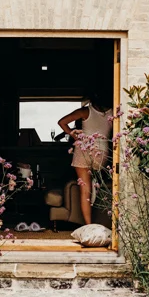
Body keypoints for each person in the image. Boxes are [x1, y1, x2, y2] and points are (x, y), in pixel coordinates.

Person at [56, 95, 113, 226]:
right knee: (100, 183)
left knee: (85, 190)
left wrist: (73, 135)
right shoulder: (112, 112)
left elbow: (61, 122)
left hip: (84, 149)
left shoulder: (85, 111)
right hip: (102, 152)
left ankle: (88, 225)